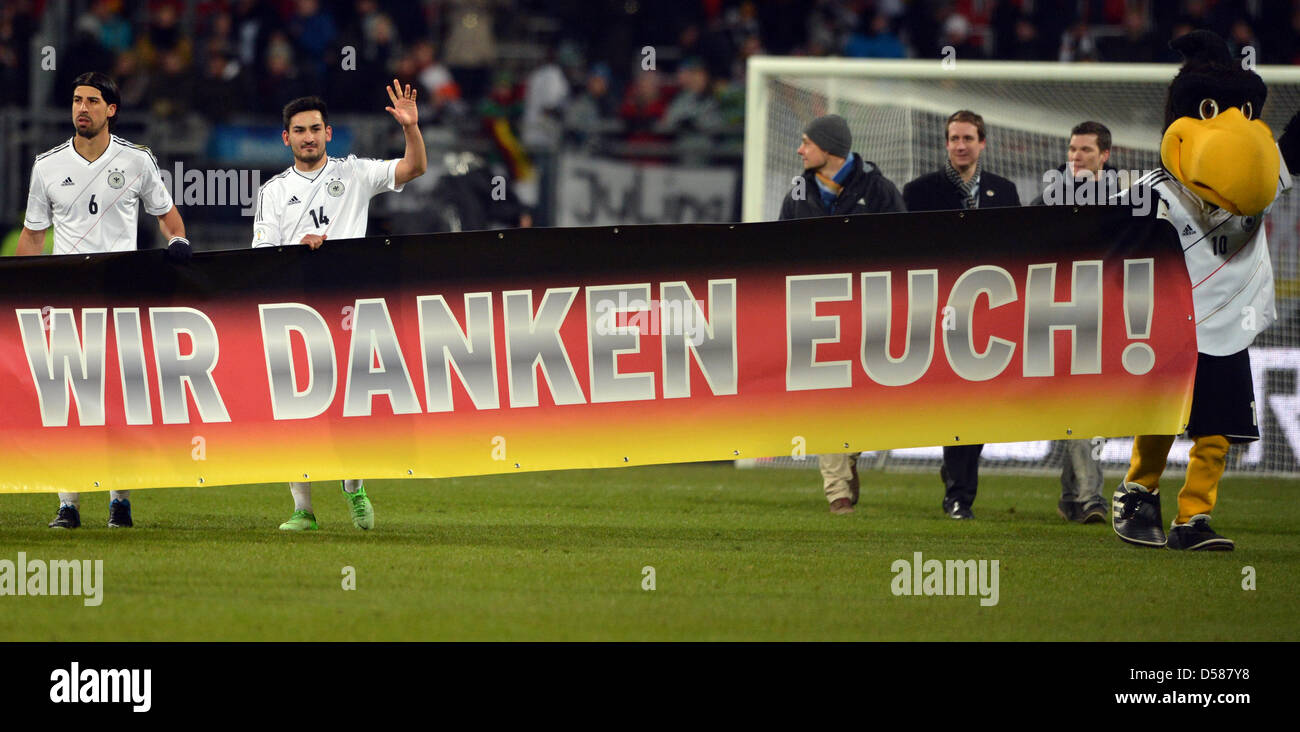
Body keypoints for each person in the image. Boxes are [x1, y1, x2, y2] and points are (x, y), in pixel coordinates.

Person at [17, 71, 190, 530]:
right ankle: (68, 505)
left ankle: (119, 500)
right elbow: (33, 237)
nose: (82, 109)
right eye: (76, 100)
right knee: (67, 401)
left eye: (92, 101)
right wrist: (19, 287)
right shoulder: (47, 165)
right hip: (66, 296)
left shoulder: (136, 161)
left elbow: (169, 217)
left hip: (120, 295)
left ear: (111, 109)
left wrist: (177, 243)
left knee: (119, 401)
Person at [251, 82, 427, 531]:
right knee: (296, 410)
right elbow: (260, 254)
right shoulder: (272, 192)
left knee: (352, 409)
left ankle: (354, 490)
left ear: (329, 133)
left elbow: (414, 168)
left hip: (349, 308)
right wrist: (299, 245)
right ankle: (302, 509)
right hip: (295, 310)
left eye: (315, 128)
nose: (307, 137)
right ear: (285, 138)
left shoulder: (354, 173)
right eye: (298, 130)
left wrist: (411, 129)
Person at [778, 113, 906, 515]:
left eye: (806, 143)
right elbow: (777, 251)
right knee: (822, 401)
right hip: (815, 315)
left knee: (873, 402)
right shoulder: (798, 192)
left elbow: (910, 248)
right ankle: (838, 492)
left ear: (828, 149)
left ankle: (850, 455)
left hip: (871, 313)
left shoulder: (880, 191)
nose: (800, 150)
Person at [902, 110, 1020, 520]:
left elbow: (1017, 254)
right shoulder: (919, 193)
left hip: (989, 314)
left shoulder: (1004, 193)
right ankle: (958, 491)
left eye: (968, 138)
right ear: (946, 143)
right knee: (955, 404)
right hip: (939, 312)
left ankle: (958, 485)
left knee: (979, 407)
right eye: (953, 138)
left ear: (982, 143)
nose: (960, 145)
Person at [1032, 120, 1113, 523]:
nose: (1076, 157)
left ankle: (1071, 496)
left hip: (1109, 315)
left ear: (1105, 156)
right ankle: (1091, 498)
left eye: (1085, 150)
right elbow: (1019, 239)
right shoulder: (1050, 197)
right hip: (1063, 314)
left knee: (1086, 408)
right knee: (1086, 406)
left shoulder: (1124, 199)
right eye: (1072, 149)